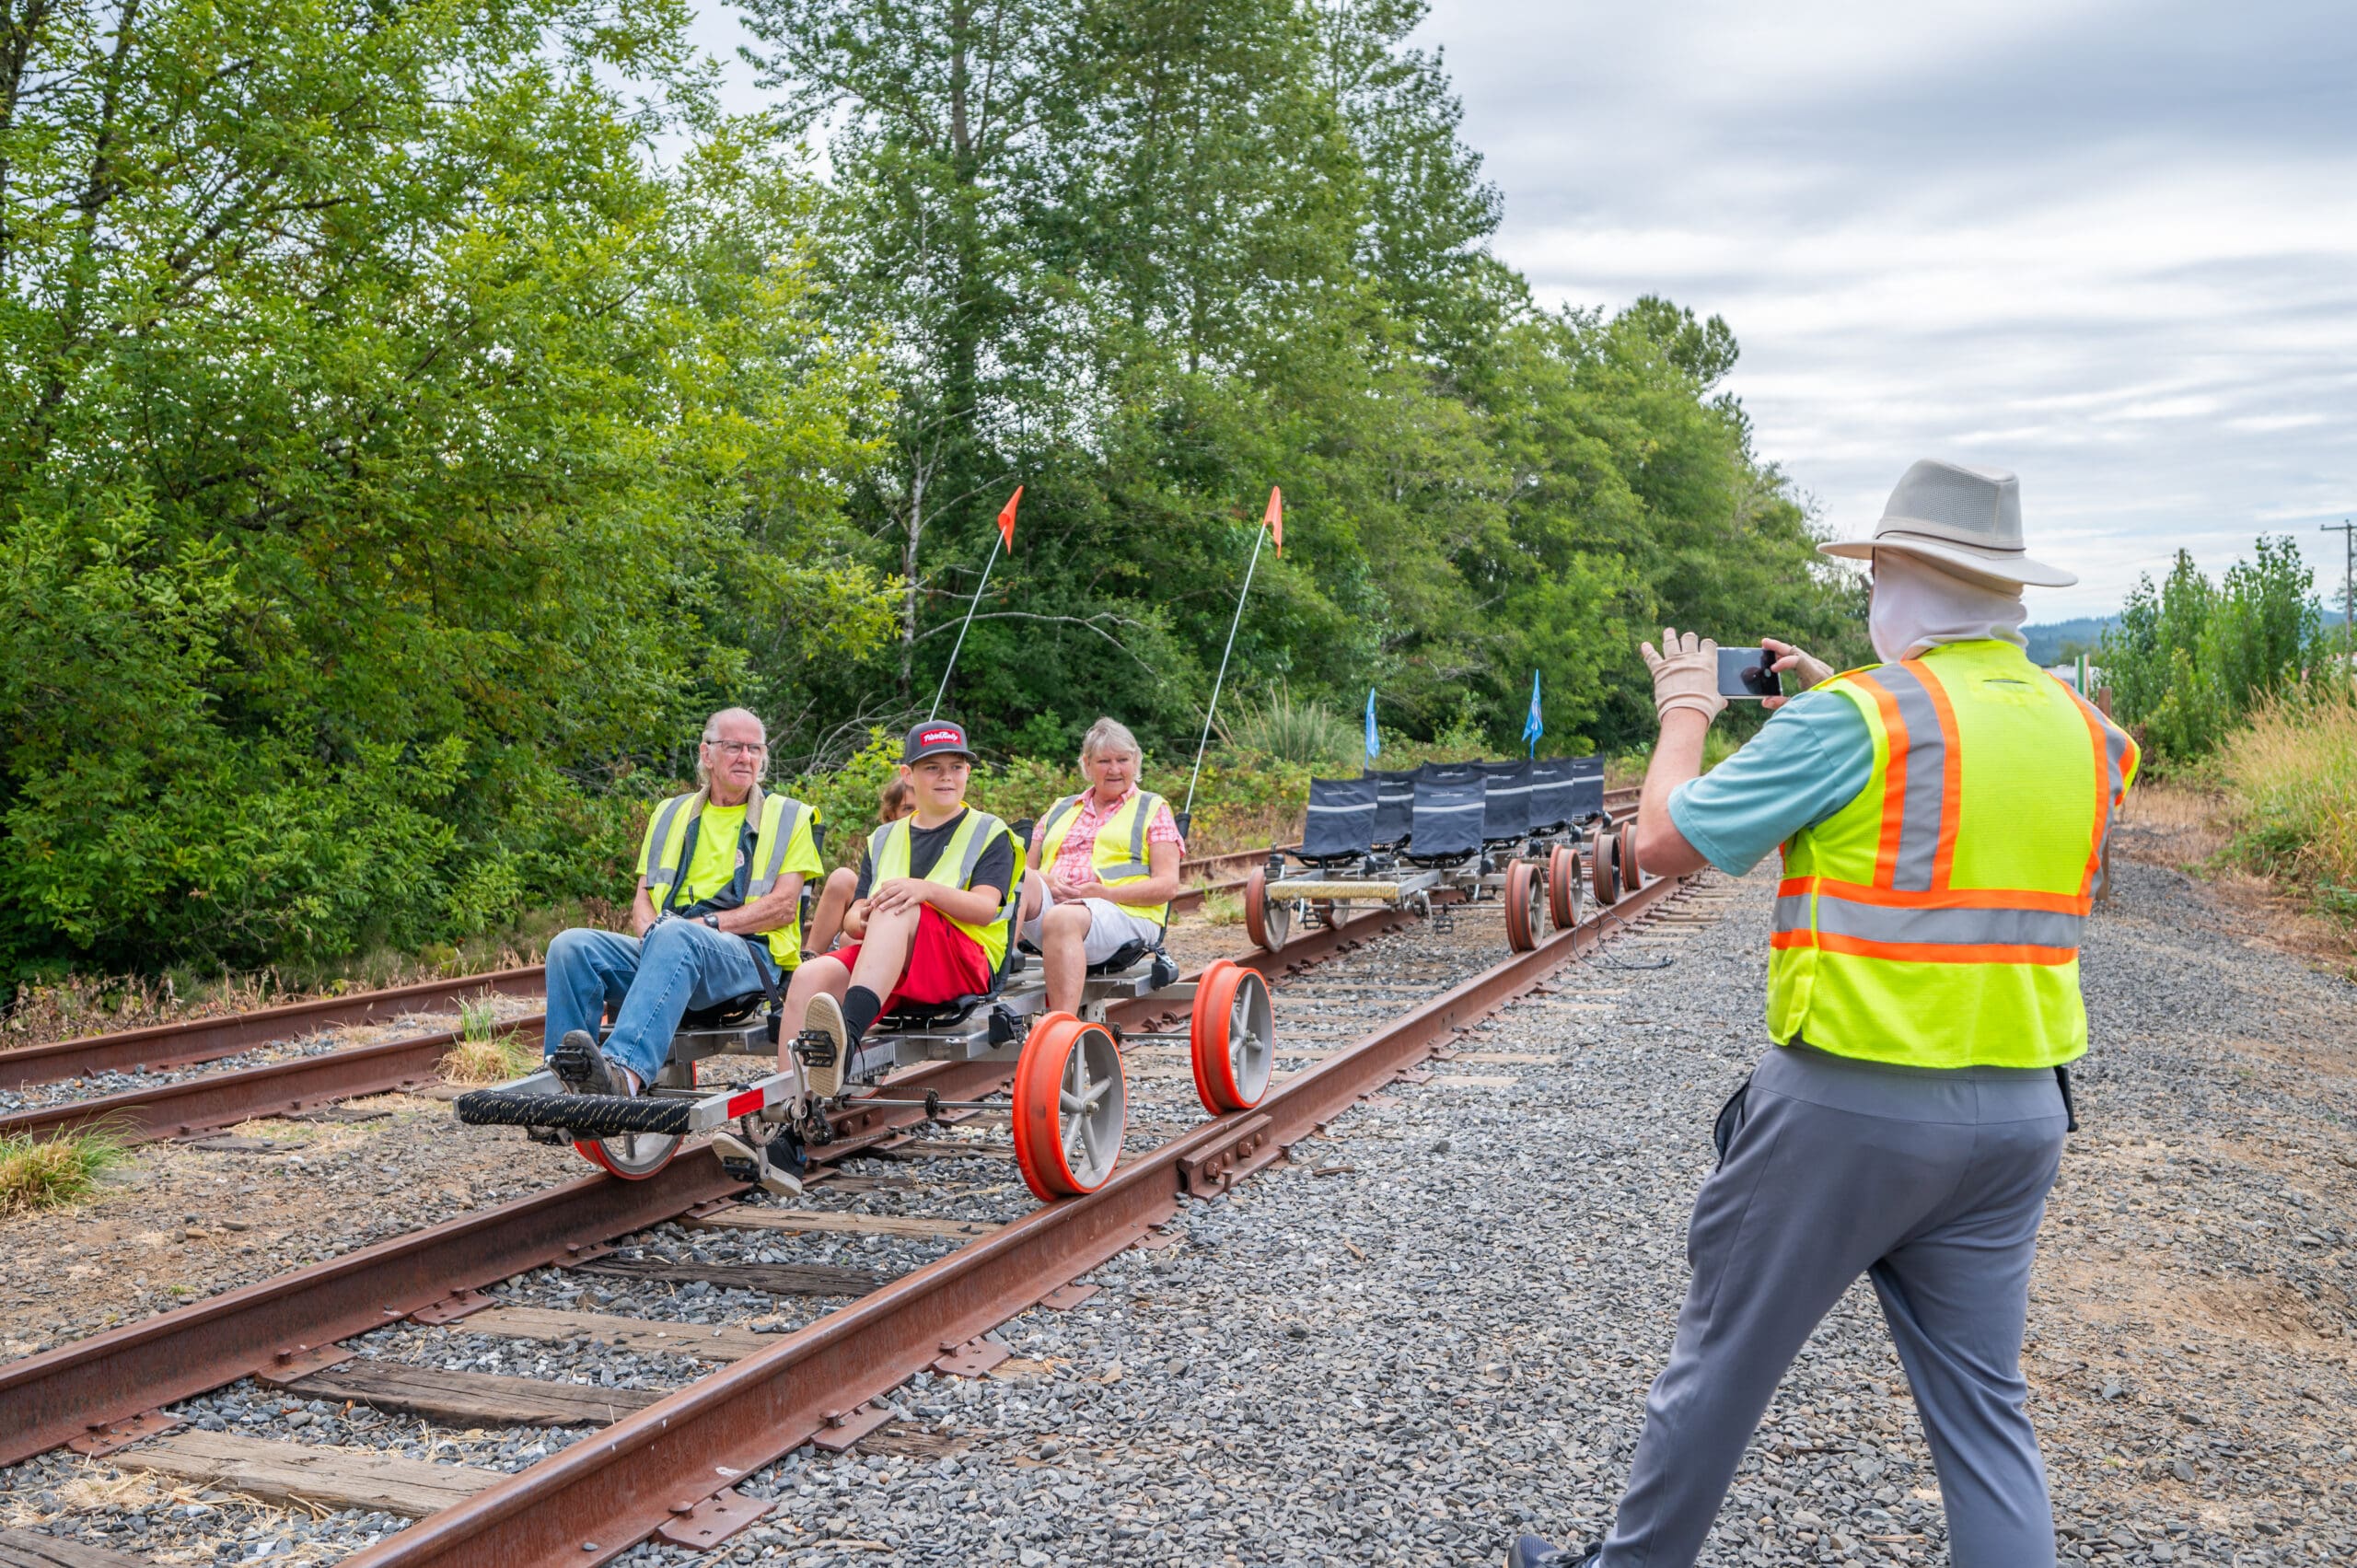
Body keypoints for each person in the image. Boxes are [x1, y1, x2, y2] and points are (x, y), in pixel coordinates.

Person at [1509, 459, 2139, 1568]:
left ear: (1898, 576)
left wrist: (1686, 712)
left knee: (1720, 1367)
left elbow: (1661, 841)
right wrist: (1841, 693)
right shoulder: (2091, 733)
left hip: (1849, 1108)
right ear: (2006, 591)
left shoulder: (1861, 716)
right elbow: (1959, 774)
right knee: (1984, 1411)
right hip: (2019, 1115)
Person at [543, 707, 824, 1098]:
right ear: (707, 754)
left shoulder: (789, 816)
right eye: (734, 747)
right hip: (670, 947)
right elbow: (643, 897)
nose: (746, 757)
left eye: (755, 749)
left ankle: (622, 1076)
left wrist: (702, 926)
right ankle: (564, 1079)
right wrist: (654, 933)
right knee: (570, 947)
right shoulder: (669, 813)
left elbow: (783, 907)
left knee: (675, 936)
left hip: (746, 957)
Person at [781, 720, 1019, 1098]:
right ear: (908, 775)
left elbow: (985, 908)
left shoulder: (989, 832)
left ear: (968, 773)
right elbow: (853, 914)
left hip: (963, 963)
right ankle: (791, 1109)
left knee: (899, 906)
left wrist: (924, 890)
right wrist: (860, 918)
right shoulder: (883, 837)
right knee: (810, 974)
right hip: (892, 962)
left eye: (956, 767)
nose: (946, 777)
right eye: (932, 767)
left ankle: (848, 1037)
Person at [1016, 717, 1186, 1013]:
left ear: (1136, 761)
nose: (1114, 769)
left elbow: (1168, 885)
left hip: (1125, 913)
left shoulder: (1152, 808)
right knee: (1018, 880)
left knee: (1062, 918)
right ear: (1087, 764)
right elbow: (1025, 870)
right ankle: (990, 974)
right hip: (1057, 909)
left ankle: (1062, 1025)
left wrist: (1104, 894)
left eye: (1123, 760)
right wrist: (1047, 881)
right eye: (1104, 761)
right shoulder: (1060, 808)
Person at [804, 776, 914, 957]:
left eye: (921, 808)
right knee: (842, 877)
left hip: (905, 926)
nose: (916, 815)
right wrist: (859, 921)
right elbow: (862, 899)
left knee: (849, 940)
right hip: (870, 917)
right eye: (908, 809)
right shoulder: (880, 843)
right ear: (891, 814)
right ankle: (810, 954)